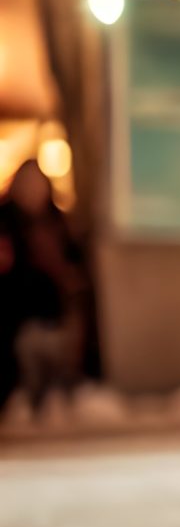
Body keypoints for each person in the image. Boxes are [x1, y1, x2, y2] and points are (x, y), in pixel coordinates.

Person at [0, 162, 85, 424]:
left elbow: (75, 266)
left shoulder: (58, 224)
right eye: (26, 184)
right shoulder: (6, 222)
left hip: (55, 314)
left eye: (37, 184)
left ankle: (54, 402)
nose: (32, 191)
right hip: (14, 317)